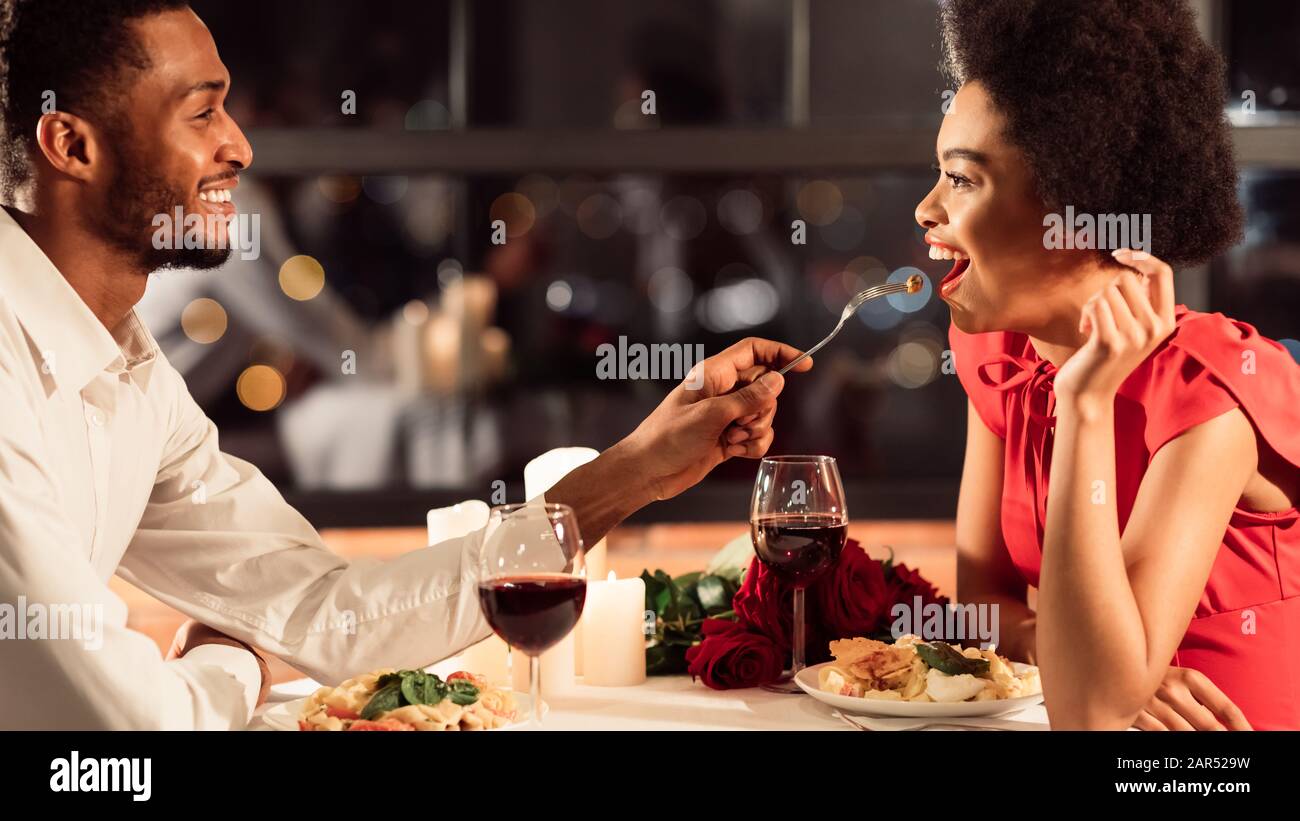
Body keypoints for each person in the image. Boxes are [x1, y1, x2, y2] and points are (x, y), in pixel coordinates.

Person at [0, 0, 811, 729]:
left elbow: (330, 613)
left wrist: (637, 468)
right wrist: (237, 663)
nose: (239, 146)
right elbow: (122, 725)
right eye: (203, 111)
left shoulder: (130, 371)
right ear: (71, 144)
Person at [920, 0, 1300, 729]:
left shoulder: (1210, 391)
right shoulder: (996, 354)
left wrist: (1086, 407)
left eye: (963, 180)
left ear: (1077, 203)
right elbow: (980, 604)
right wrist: (1065, 650)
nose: (925, 209)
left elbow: (1090, 714)